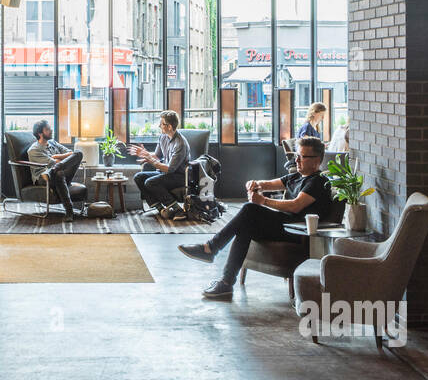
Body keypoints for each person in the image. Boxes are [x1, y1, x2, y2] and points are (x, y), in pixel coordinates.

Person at [179, 136, 335, 300]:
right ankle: (226, 283)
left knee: (249, 210)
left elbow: (295, 205)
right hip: (283, 226)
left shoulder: (318, 182)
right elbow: (266, 184)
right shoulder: (296, 177)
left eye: (302, 156)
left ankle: (211, 248)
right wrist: (253, 184)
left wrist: (263, 201)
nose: (296, 160)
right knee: (246, 226)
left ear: (317, 160)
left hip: (298, 232)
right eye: (296, 155)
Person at [26, 119, 87, 221]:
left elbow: (71, 153)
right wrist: (60, 161)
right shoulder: (34, 150)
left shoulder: (52, 143)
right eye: (47, 129)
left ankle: (55, 170)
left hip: (59, 172)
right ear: (40, 133)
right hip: (44, 178)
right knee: (58, 173)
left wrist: (56, 156)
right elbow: (55, 162)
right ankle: (69, 211)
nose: (51, 130)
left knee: (78, 153)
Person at [130, 111, 190, 212]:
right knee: (139, 177)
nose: (159, 126)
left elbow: (170, 169)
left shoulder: (180, 144)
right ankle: (160, 208)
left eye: (161, 124)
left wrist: (151, 160)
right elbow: (157, 155)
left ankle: (176, 209)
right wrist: (145, 154)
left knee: (150, 183)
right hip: (165, 173)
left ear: (169, 126)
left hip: (179, 176)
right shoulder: (163, 137)